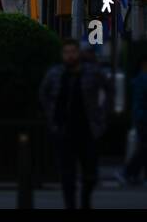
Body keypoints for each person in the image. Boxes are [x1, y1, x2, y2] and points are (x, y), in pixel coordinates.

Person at [40, 40, 111, 209]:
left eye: (73, 52)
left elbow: (109, 88)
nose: (70, 56)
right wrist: (51, 116)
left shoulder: (92, 72)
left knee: (90, 173)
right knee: (67, 174)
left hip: (88, 128)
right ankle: (70, 205)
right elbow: (43, 93)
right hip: (64, 129)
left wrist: (102, 114)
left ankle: (85, 200)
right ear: (62, 55)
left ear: (79, 53)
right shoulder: (56, 73)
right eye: (66, 52)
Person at [117, 55, 147, 186]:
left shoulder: (139, 79)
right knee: (144, 148)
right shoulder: (143, 79)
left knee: (143, 147)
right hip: (143, 117)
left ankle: (132, 174)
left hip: (140, 116)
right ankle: (128, 172)